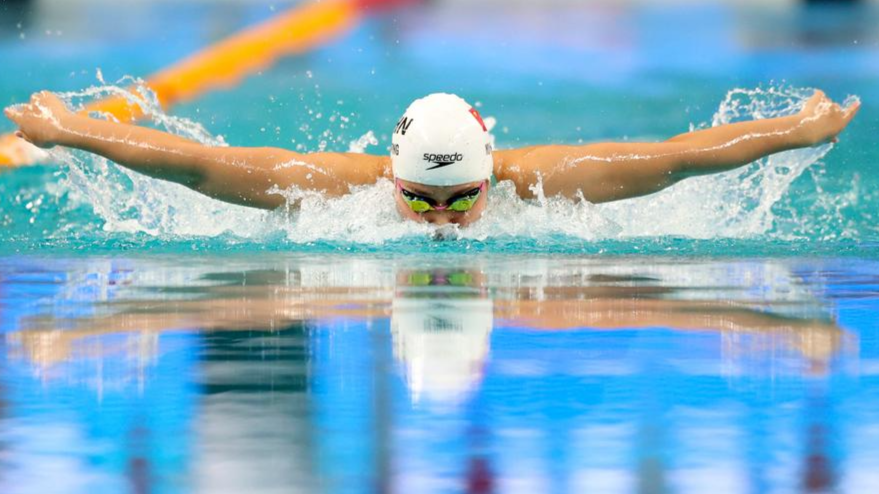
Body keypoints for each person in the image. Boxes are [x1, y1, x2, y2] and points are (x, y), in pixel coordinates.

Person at [3, 90, 859, 227]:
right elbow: (197, 166)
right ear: (391, 173)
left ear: (491, 170)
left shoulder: (543, 182)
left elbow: (672, 160)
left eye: (458, 198)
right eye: (420, 198)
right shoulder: (335, 191)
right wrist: (73, 130)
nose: (441, 219)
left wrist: (793, 129)